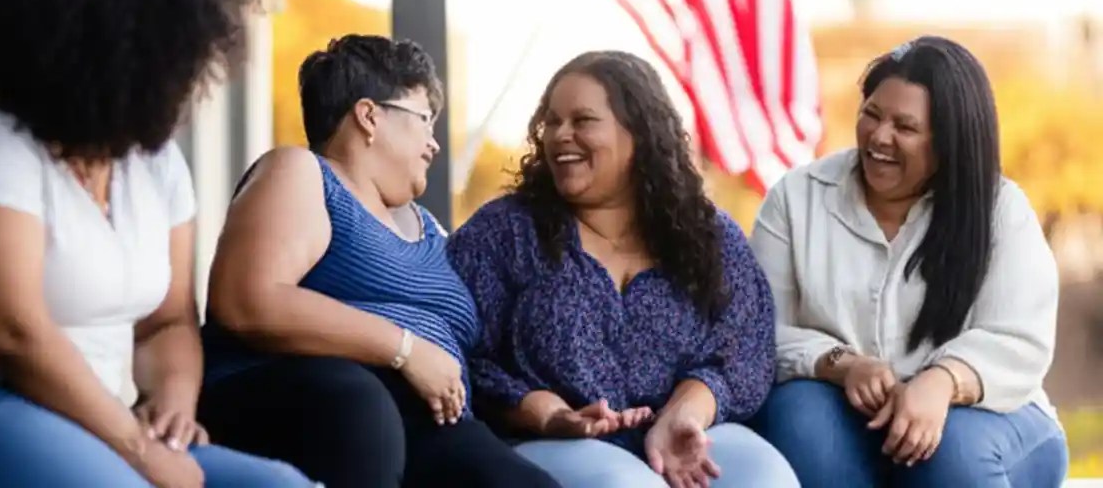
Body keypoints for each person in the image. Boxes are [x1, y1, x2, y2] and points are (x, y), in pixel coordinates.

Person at [0, 0, 314, 488]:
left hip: (95, 424)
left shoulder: (154, 167)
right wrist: (135, 449)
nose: (187, 92)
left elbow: (168, 321)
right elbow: (12, 331)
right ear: (115, 66)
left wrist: (172, 409)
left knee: (282, 486)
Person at [197, 34, 560, 488]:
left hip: (430, 423)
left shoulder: (434, 231)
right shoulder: (304, 174)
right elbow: (247, 301)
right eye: (425, 120)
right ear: (369, 116)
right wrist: (404, 349)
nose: (434, 145)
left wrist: (552, 407)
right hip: (314, 399)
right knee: (361, 403)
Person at [447, 50, 799, 488]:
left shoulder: (709, 234)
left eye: (583, 120)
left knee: (767, 481)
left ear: (640, 133)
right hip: (555, 441)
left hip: (691, 431)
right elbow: (459, 355)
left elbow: (745, 350)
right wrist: (549, 414)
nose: (560, 135)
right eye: (551, 122)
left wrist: (683, 414)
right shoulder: (504, 234)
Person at [749, 36, 1068, 487]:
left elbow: (1022, 341)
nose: (879, 137)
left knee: (951, 452)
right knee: (800, 417)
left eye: (906, 127)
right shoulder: (796, 197)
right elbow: (757, 332)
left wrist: (942, 382)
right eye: (872, 115)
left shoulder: (1001, 210)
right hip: (844, 416)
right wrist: (841, 363)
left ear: (948, 142)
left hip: (988, 421)